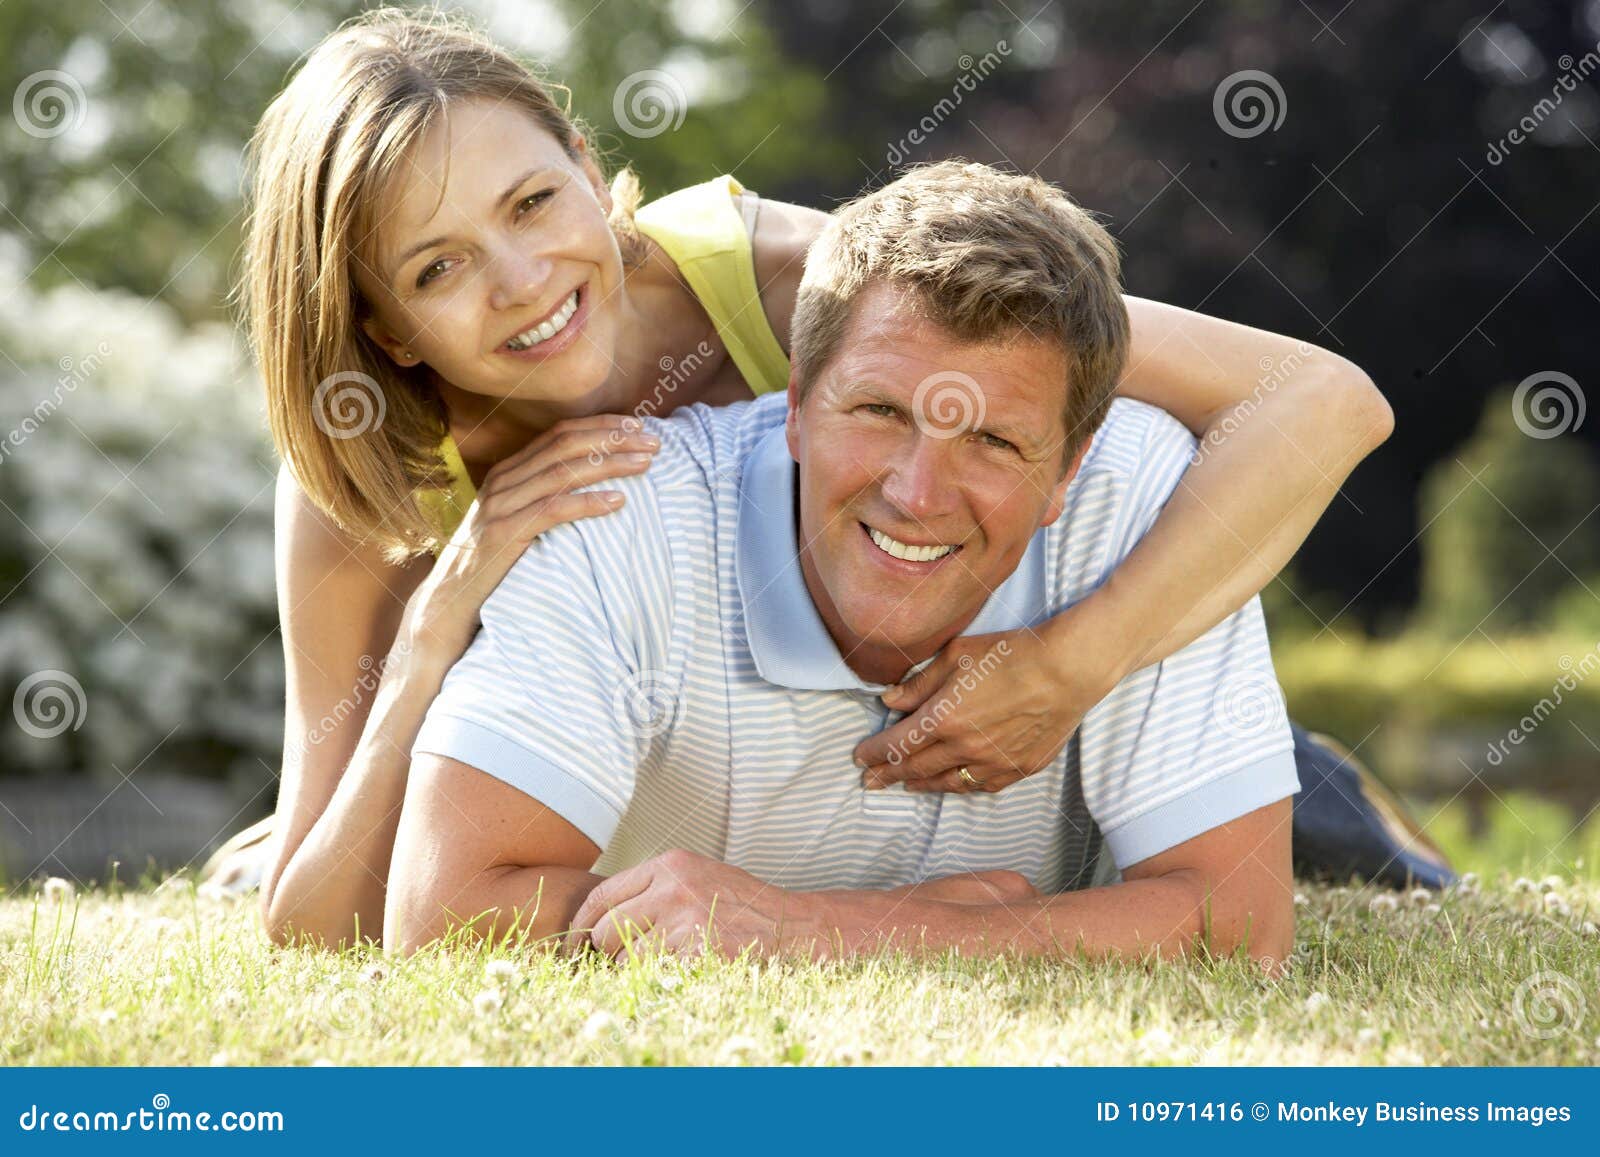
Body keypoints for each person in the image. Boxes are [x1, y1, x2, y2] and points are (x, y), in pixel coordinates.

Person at [225, 10, 1403, 951]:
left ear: (587, 165)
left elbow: (1317, 401)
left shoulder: (794, 280)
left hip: (1025, 722)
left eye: (532, 201)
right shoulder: (370, 475)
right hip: (600, 763)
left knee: (1278, 803)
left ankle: (1324, 789)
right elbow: (315, 915)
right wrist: (432, 636)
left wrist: (1073, 659)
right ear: (382, 328)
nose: (524, 279)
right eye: (439, 267)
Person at [387, 162, 1301, 965]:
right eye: (878, 412)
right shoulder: (609, 514)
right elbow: (441, 912)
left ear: (1068, 467)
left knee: (1317, 797)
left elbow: (1242, 928)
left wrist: (817, 927)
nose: (918, 494)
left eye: (991, 441)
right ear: (791, 405)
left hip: (1179, 752)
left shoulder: (1147, 494)